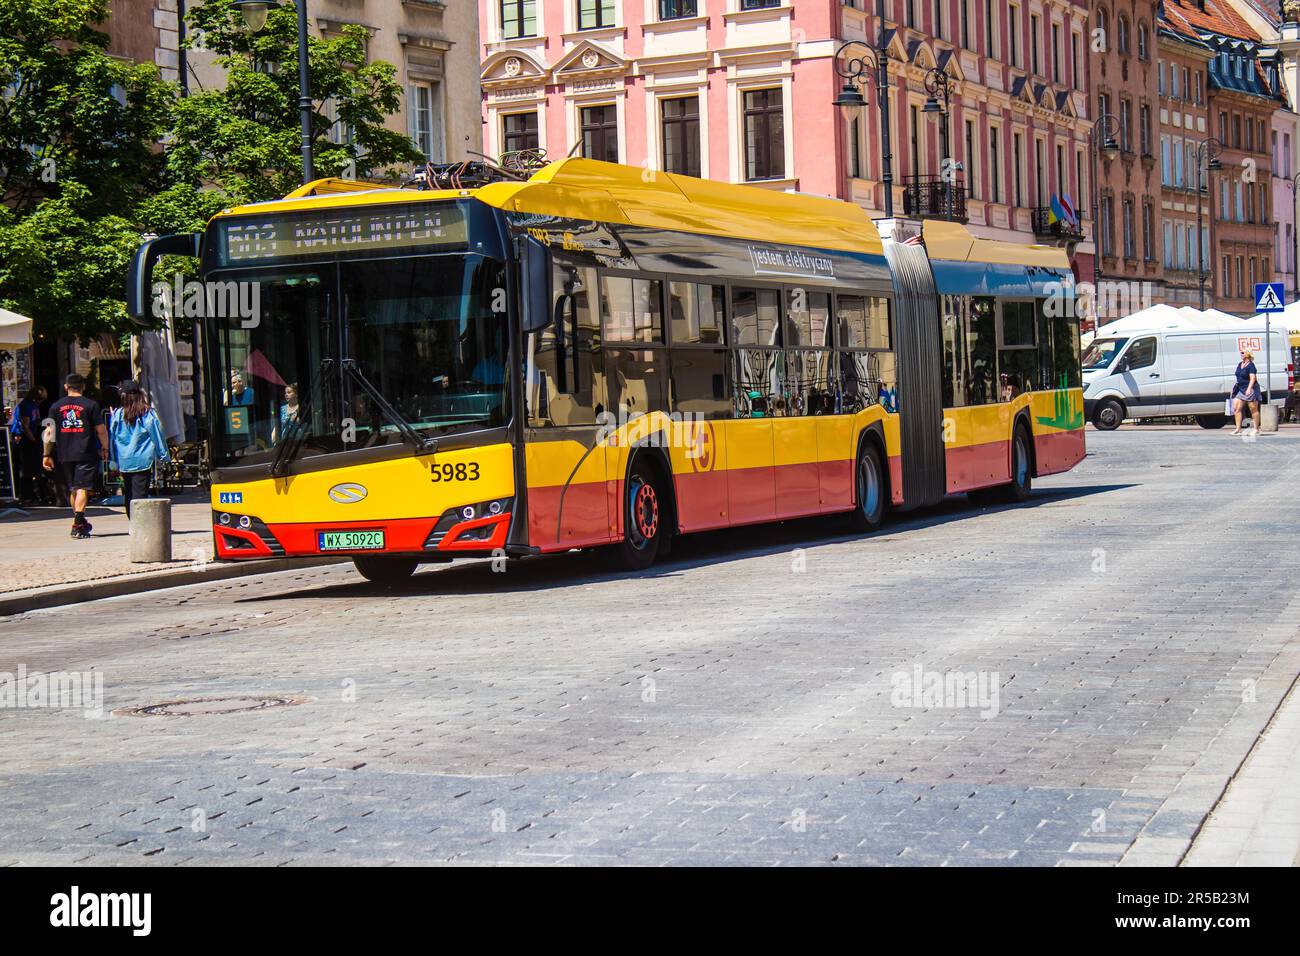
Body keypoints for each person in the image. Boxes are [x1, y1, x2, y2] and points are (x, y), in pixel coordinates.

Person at [42, 374, 108, 538]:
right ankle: (78, 524)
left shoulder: (56, 406)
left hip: (64, 453)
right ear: (83, 386)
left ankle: (79, 520)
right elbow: (101, 430)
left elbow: (49, 432)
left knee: (74, 489)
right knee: (83, 488)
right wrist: (105, 448)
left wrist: (47, 454)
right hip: (86, 452)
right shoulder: (91, 405)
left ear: (66, 387)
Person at [108, 381, 170, 520]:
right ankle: (140, 524)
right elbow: (157, 434)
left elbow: (112, 438)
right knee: (140, 494)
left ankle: (133, 522)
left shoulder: (117, 414)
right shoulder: (146, 413)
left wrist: (113, 459)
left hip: (124, 460)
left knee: (129, 494)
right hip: (143, 460)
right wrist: (164, 455)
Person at [7, 386, 45, 502]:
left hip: (30, 437)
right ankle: (25, 494)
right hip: (24, 438)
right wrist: (32, 439)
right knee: (25, 467)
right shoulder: (26, 405)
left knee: (30, 467)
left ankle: (32, 493)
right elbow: (25, 424)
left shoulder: (33, 405)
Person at [1231, 350, 1262, 435]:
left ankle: (1256, 429)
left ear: (1248, 354)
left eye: (1243, 353)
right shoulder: (1240, 364)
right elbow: (1238, 376)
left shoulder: (1251, 366)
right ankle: (1238, 429)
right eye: (1241, 353)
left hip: (1250, 389)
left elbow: (1253, 379)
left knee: (1253, 409)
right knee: (1236, 409)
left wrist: (1249, 389)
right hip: (1240, 389)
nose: (1241, 354)